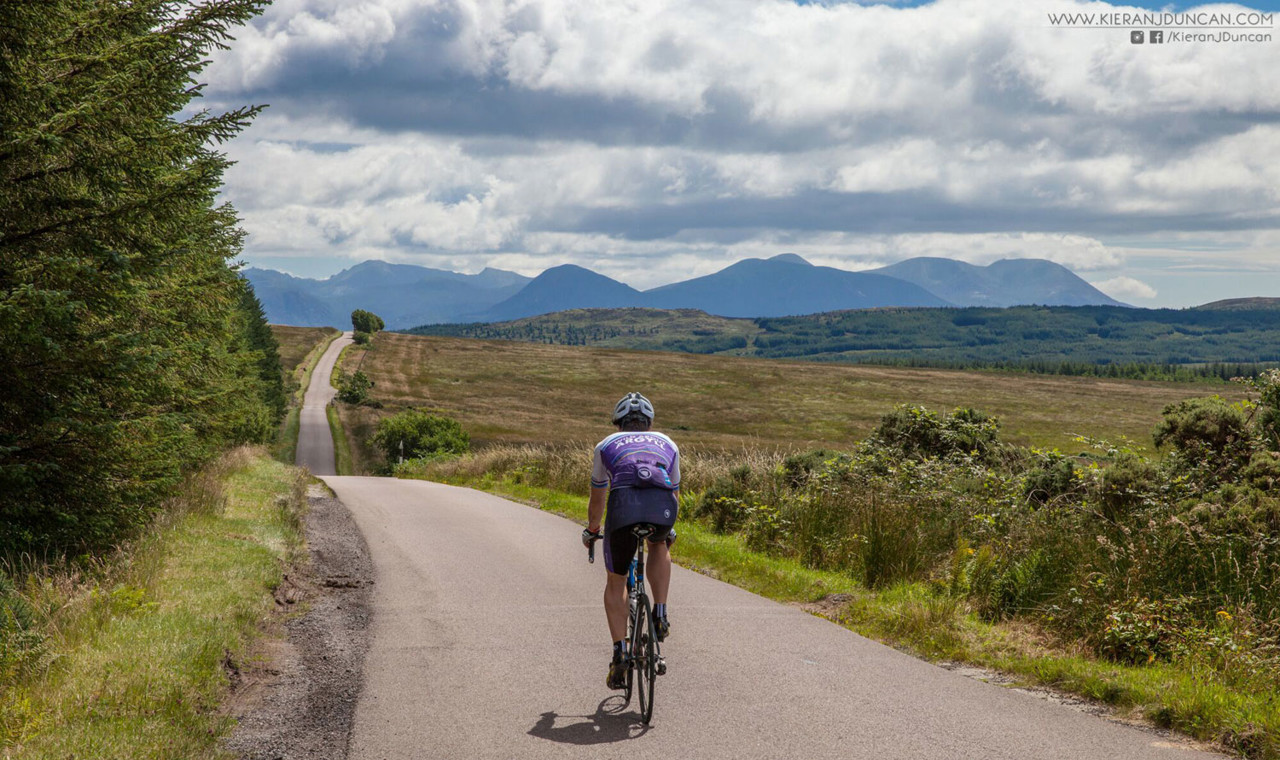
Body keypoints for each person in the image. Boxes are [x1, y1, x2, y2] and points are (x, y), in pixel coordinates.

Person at [582, 392, 679, 690]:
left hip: (623, 509)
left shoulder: (605, 445)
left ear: (618, 423)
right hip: (661, 508)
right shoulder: (668, 443)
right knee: (659, 545)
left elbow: (598, 498)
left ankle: (620, 651)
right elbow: (674, 493)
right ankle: (660, 612)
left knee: (616, 579)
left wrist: (593, 530)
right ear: (648, 423)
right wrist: (667, 529)